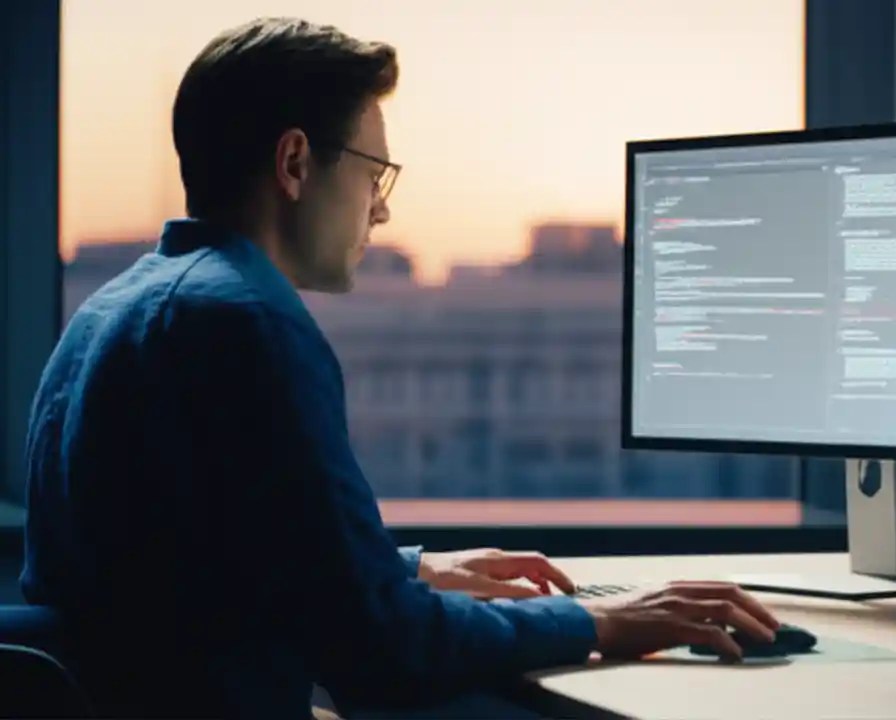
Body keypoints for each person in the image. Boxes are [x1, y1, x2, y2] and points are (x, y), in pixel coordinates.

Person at [20, 15, 780, 720]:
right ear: (295, 162)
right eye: (372, 172)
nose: (380, 211)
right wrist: (599, 620)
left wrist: (408, 570)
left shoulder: (115, 309)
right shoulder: (246, 323)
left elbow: (211, 563)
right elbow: (381, 651)